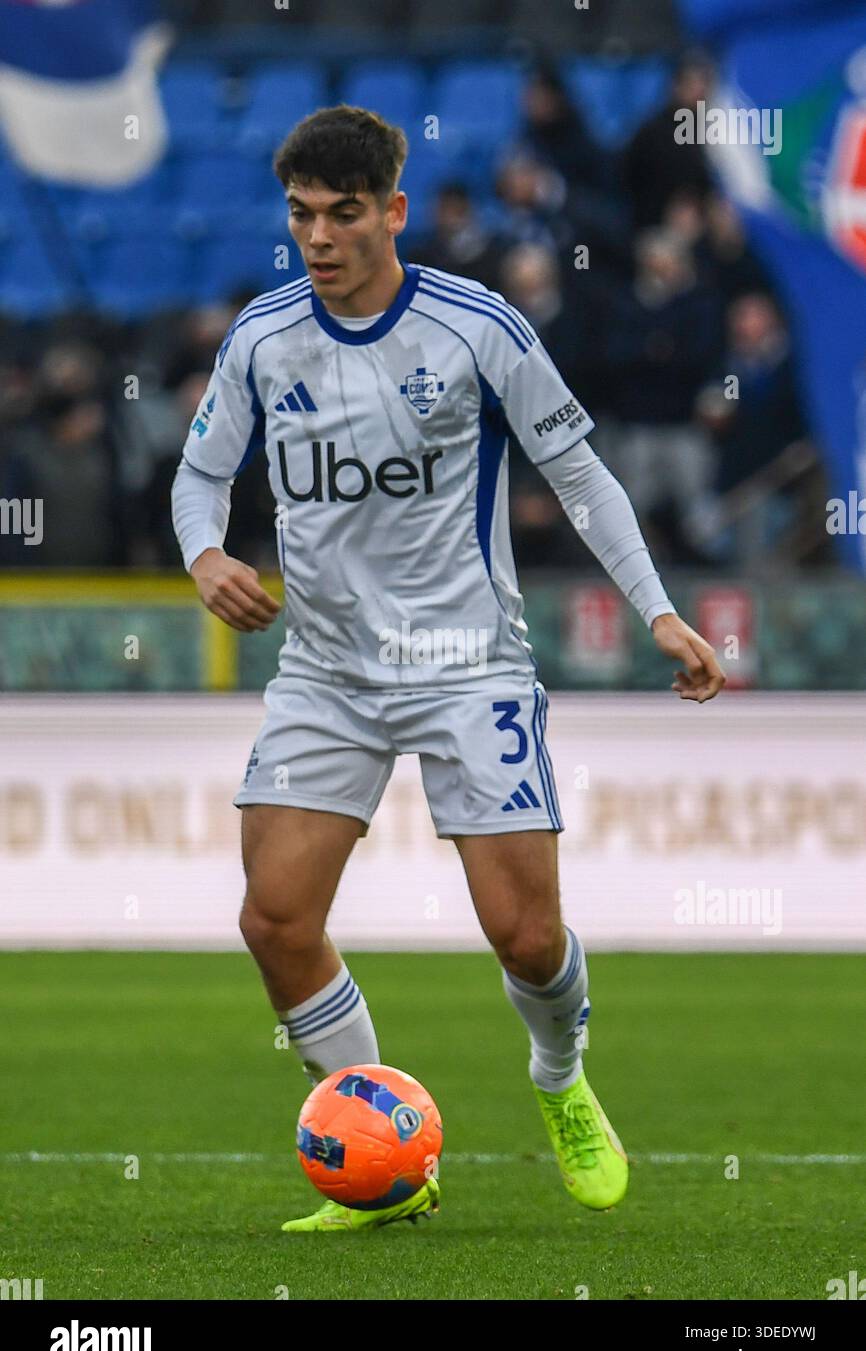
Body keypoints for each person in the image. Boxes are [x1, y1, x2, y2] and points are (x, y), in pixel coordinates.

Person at [171, 104, 725, 1234]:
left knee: (523, 934)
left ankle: (559, 1075)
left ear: (393, 212)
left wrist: (659, 613)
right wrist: (205, 551)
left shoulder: (478, 329)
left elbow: (580, 474)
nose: (317, 239)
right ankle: (388, 1157)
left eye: (340, 214)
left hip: (468, 663)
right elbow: (199, 476)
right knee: (275, 921)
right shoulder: (262, 338)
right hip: (324, 669)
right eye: (299, 216)